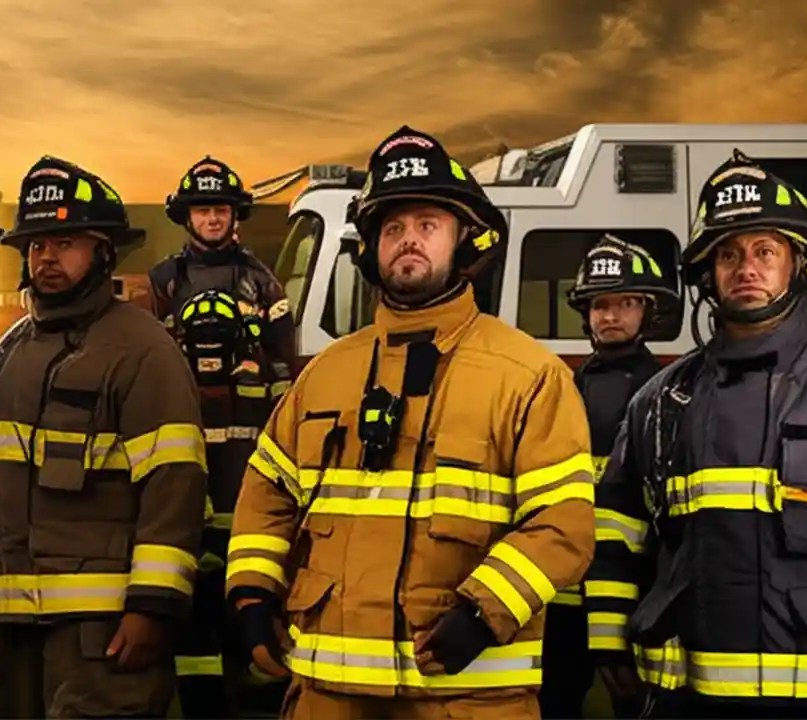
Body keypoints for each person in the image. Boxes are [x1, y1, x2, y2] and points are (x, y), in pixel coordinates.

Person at [225, 125, 596, 720]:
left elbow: (563, 522)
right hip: (329, 696)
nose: (409, 241)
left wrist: (485, 611)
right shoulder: (325, 375)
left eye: (428, 224)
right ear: (371, 247)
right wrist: (251, 592)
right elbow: (267, 493)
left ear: (464, 239)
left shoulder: (529, 376)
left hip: (464, 696)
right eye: (393, 228)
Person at [590, 149, 807, 719]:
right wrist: (607, 640)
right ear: (708, 273)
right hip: (686, 700)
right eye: (728, 254)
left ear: (797, 264)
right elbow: (617, 533)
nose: (747, 268)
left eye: (765, 251)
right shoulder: (658, 402)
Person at [0, 156, 209, 718]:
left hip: (101, 634)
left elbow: (173, 485)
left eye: (65, 243)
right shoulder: (5, 356)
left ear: (103, 252)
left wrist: (152, 606)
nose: (47, 257)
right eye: (37, 245)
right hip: (11, 628)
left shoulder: (143, 350)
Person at [150, 156, 294, 717]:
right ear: (187, 216)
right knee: (186, 581)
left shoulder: (263, 281)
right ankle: (199, 700)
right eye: (203, 209)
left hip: (244, 458)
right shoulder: (164, 281)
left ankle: (248, 684)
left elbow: (284, 369)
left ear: (236, 216)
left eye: (221, 209)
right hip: (181, 455)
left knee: (243, 571)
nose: (212, 218)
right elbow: (148, 365)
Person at [538, 235, 678, 719]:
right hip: (565, 593)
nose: (611, 315)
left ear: (648, 312)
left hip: (635, 589)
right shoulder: (565, 387)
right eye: (600, 304)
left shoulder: (666, 393)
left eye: (626, 303)